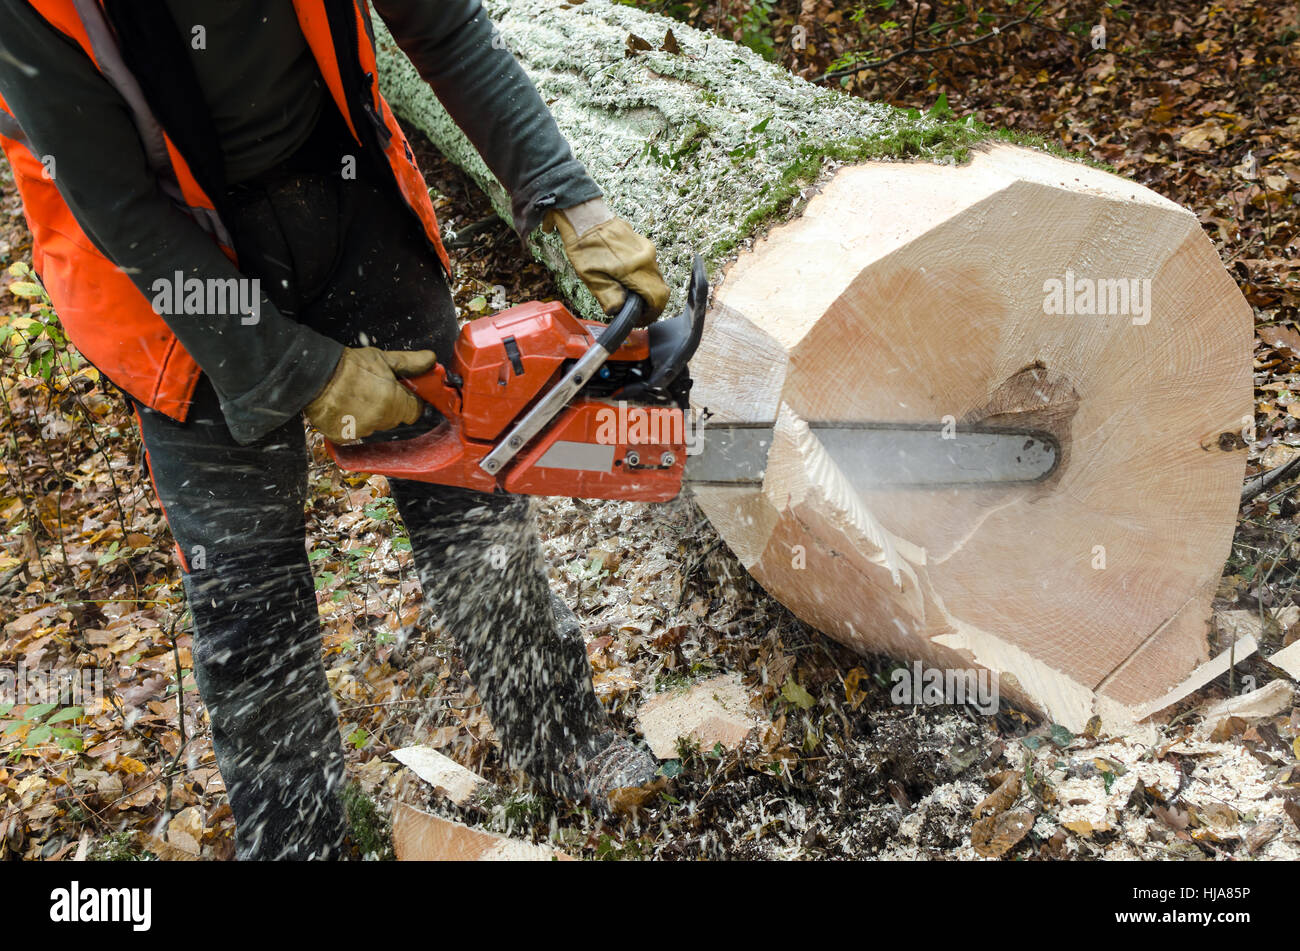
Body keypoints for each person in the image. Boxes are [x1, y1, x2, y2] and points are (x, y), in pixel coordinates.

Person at [0, 0, 671, 859]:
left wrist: (569, 199)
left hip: (342, 191)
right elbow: (118, 204)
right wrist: (305, 372)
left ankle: (565, 742)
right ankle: (297, 844)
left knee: (474, 498)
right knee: (247, 590)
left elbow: (445, 26)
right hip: (168, 275)